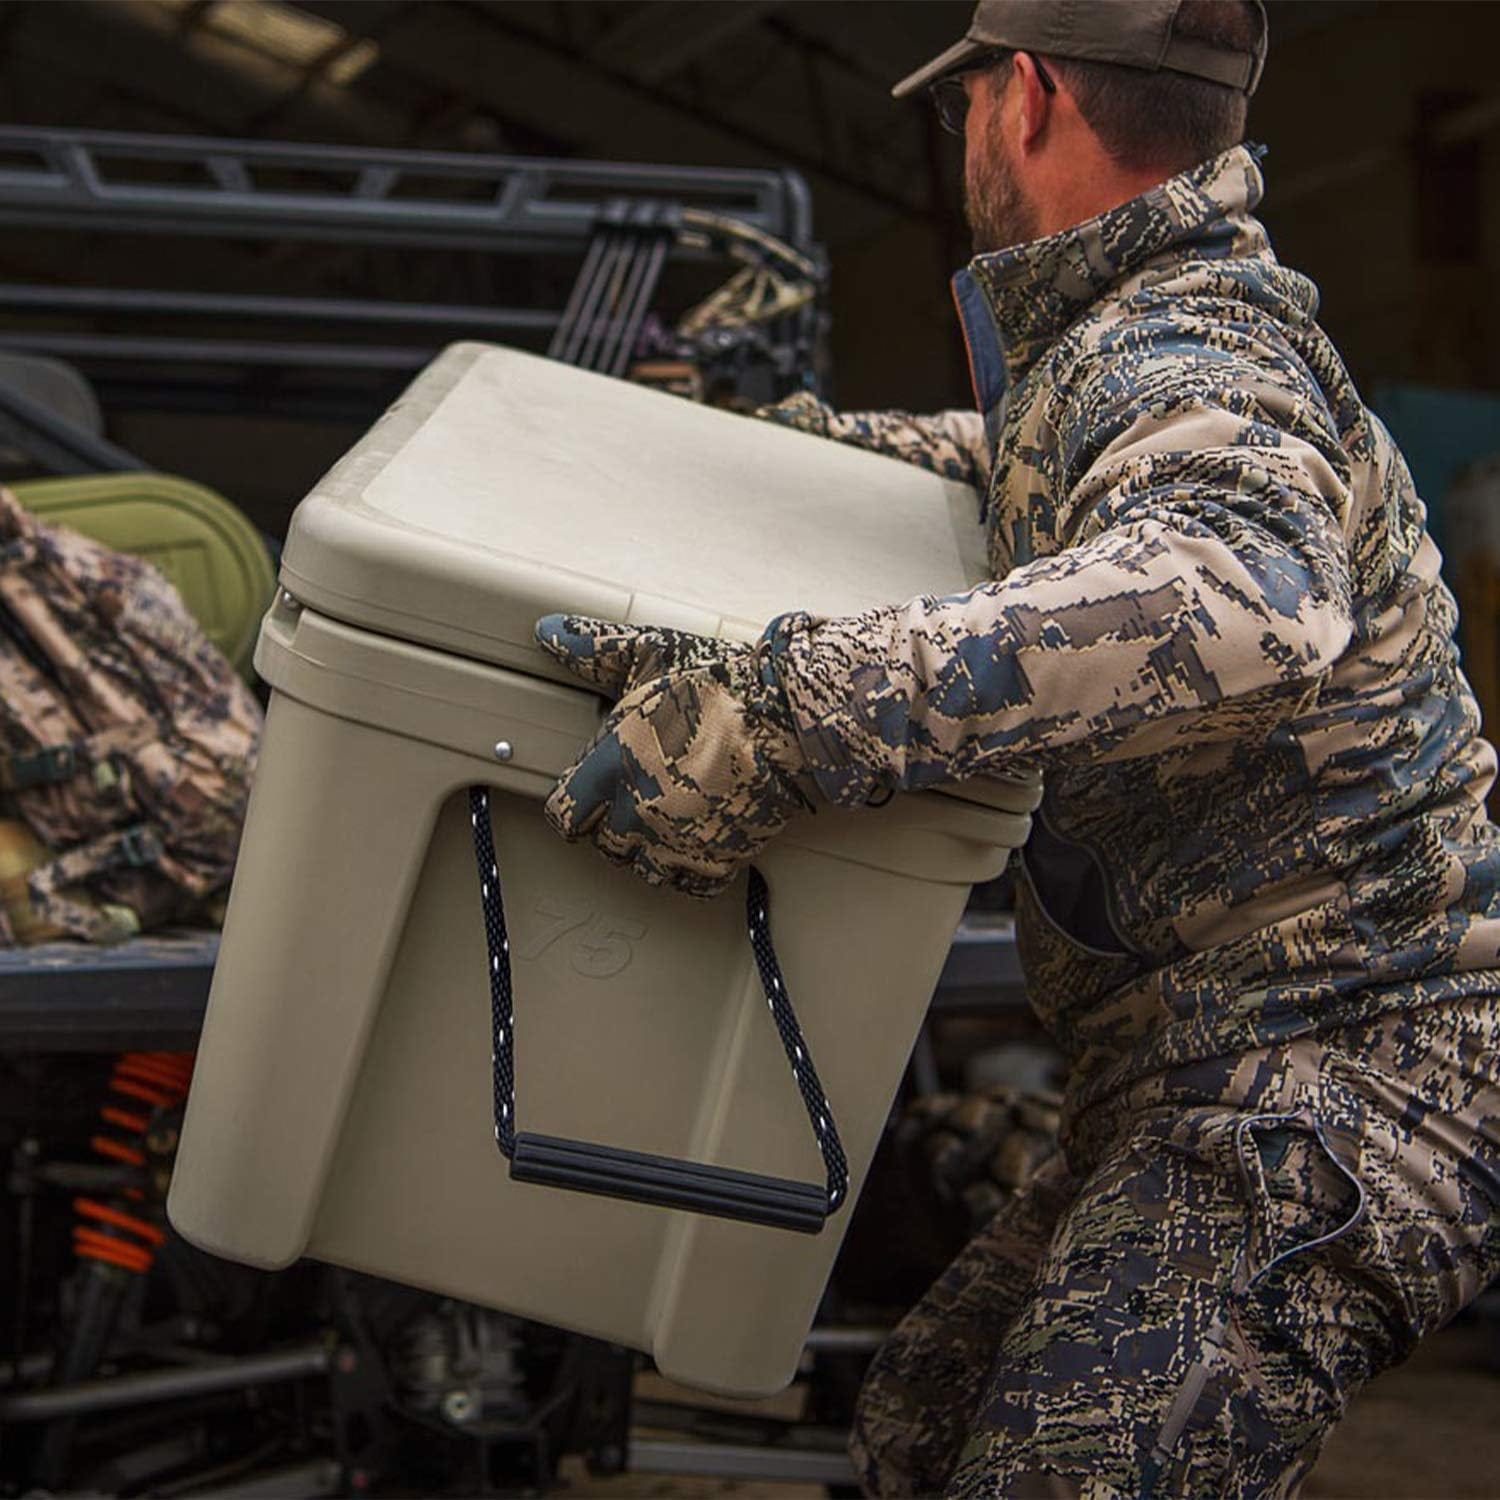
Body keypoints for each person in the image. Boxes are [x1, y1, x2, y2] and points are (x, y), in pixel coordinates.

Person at [533, 1, 1500, 1493]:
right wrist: (770, 450)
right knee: (926, 1421)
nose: (966, 133)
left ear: (1029, 96)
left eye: (965, 101)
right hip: (1219, 1058)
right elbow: (1025, 472)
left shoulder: (1180, 337)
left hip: (1349, 1062)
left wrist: (779, 714)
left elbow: (1250, 595)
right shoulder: (1137, 333)